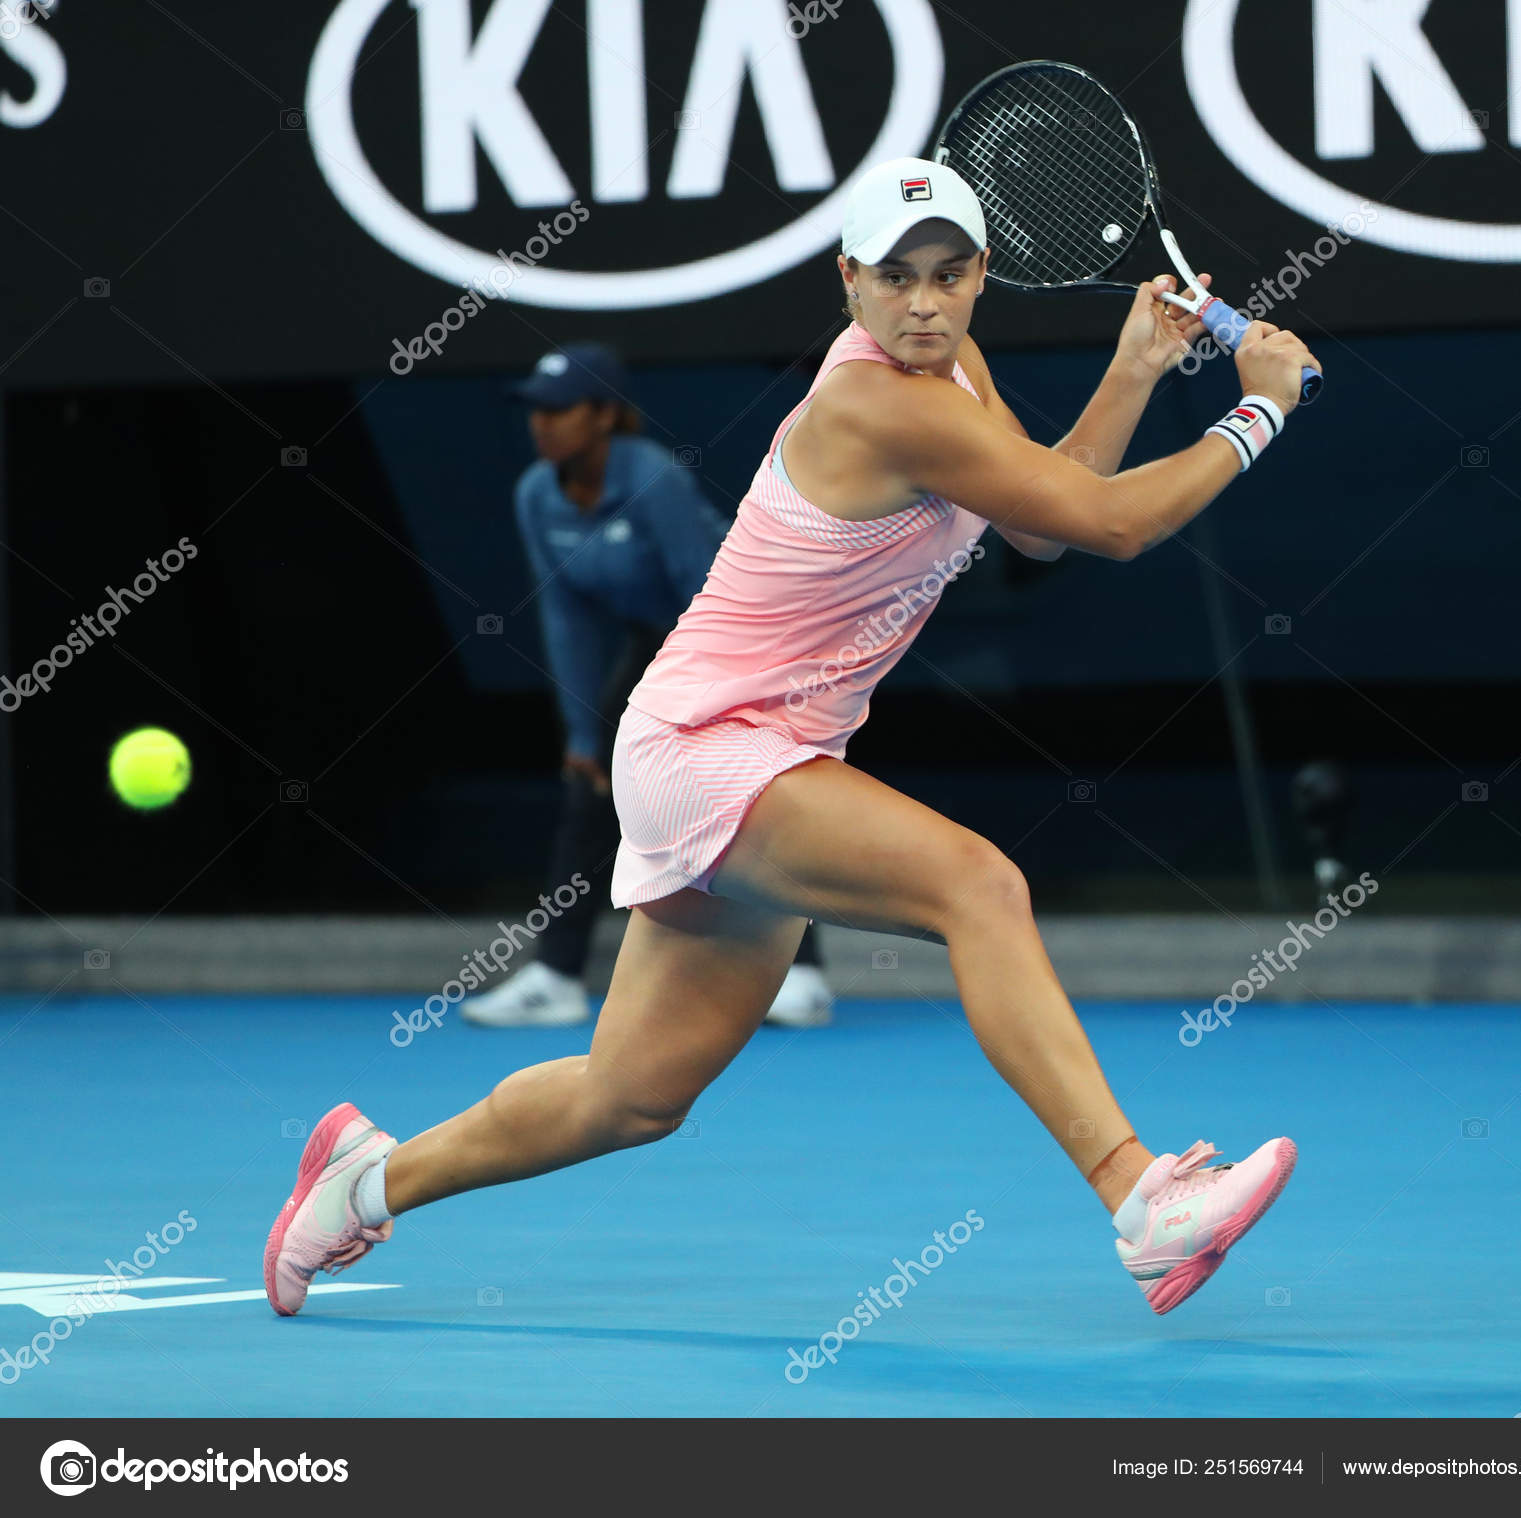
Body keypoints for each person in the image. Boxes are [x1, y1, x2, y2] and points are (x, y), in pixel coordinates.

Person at [265, 156, 1318, 1319]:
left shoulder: (954, 367)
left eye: (949, 274)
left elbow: (1043, 527)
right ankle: (1140, 1202)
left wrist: (1129, 373)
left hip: (747, 748)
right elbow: (1112, 527)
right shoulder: (876, 400)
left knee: (632, 1099)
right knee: (978, 885)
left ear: (980, 280)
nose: (922, 301)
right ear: (847, 278)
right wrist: (1258, 407)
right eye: (893, 276)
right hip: (711, 743)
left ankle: (364, 1181)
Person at [458, 343, 832, 1029]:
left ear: (604, 416)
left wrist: (723, 718)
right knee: (591, 787)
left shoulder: (654, 480)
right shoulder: (535, 495)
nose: (541, 424)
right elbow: (567, 618)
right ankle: (556, 976)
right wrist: (581, 734)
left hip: (745, 635)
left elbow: (708, 595)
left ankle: (801, 975)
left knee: (754, 795)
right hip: (654, 643)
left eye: (559, 409)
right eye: (535, 411)